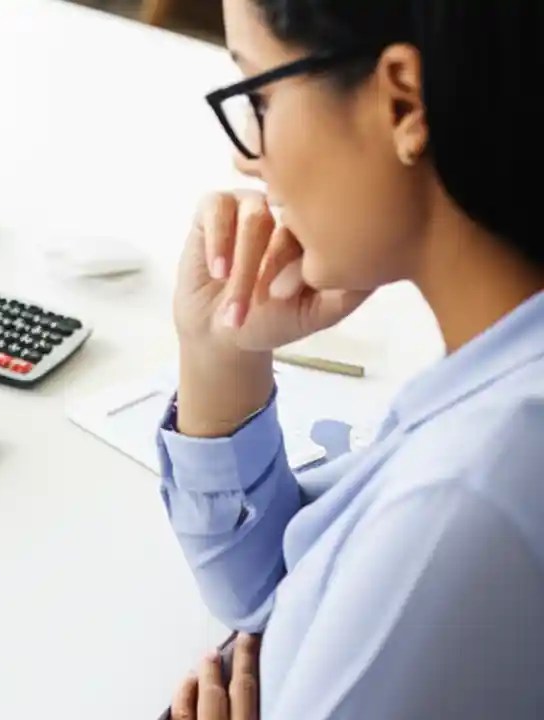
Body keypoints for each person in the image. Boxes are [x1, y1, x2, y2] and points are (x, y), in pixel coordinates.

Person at [158, 0, 544, 718]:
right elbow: (278, 589)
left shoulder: (462, 502)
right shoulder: (499, 366)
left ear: (403, 101)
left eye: (261, 96)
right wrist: (221, 349)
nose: (246, 155)